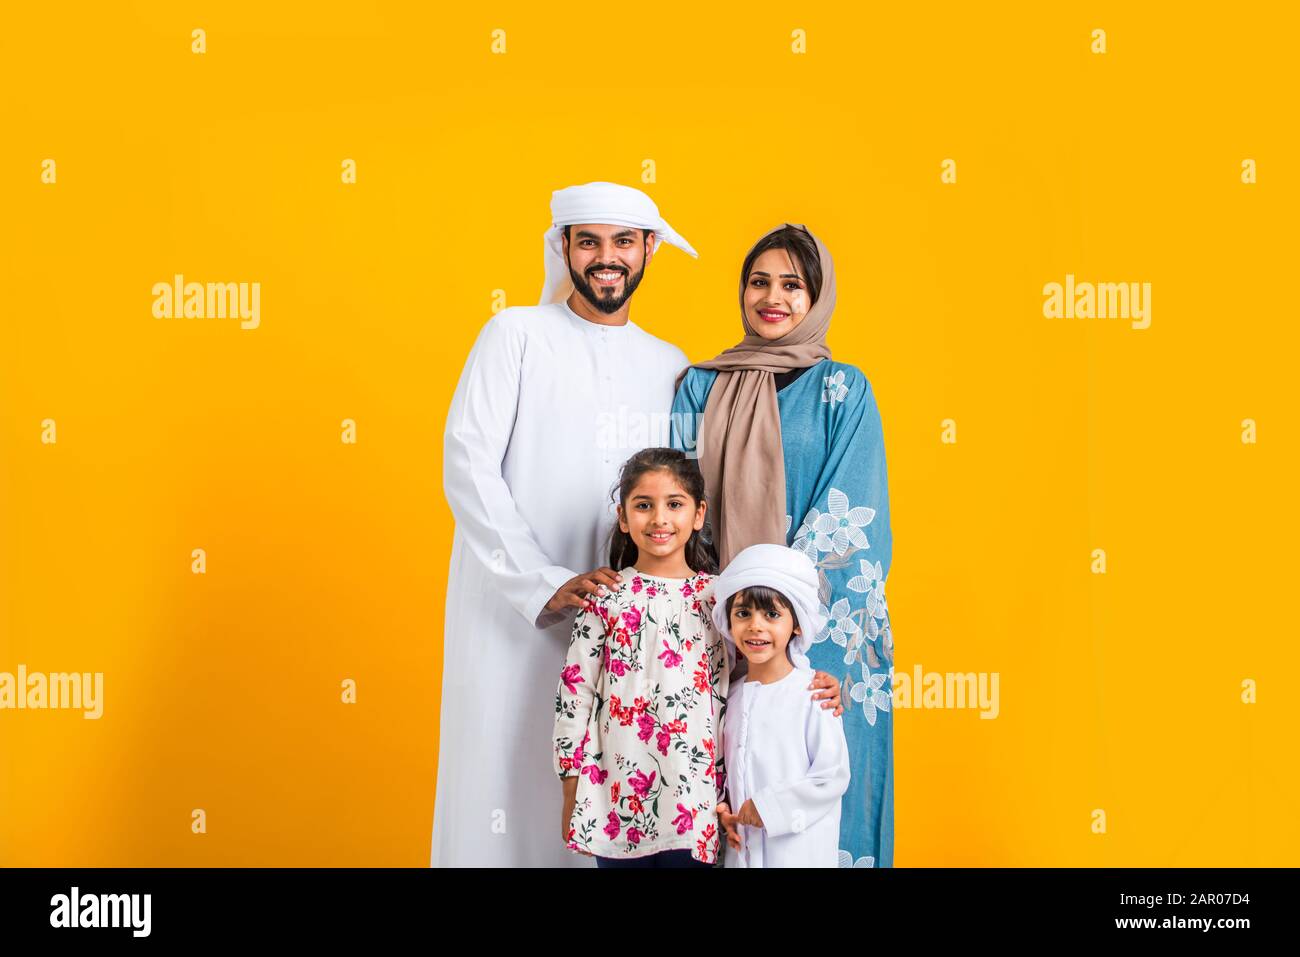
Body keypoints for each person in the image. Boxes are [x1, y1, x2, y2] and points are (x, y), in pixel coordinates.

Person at [432, 182, 699, 867]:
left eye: (622, 242)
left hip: (626, 630)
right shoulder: (515, 335)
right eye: (589, 241)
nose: (605, 258)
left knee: (609, 784)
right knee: (501, 781)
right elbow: (468, 462)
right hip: (512, 615)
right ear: (565, 249)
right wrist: (541, 583)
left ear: (649, 250)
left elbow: (679, 495)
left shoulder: (670, 364)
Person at [671, 223, 896, 867]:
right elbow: (686, 506)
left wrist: (776, 610)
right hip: (719, 622)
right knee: (728, 791)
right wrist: (732, 609)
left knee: (819, 800)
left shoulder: (844, 391)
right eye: (759, 282)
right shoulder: (699, 385)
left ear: (817, 296)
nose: (773, 297)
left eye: (793, 285)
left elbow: (855, 520)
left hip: (820, 629)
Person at [552, 448, 725, 867]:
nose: (660, 518)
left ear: (698, 514)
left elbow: (754, 669)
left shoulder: (718, 598)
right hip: (616, 795)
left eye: (675, 504)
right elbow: (574, 696)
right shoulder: (605, 596)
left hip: (694, 795)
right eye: (644, 505)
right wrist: (571, 784)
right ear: (624, 518)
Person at [711, 544, 851, 868]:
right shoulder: (729, 698)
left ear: (797, 624)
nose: (756, 626)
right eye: (743, 613)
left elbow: (832, 776)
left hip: (799, 854)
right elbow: (724, 773)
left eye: (771, 614)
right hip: (743, 851)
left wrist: (769, 808)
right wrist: (725, 812)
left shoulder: (813, 694)